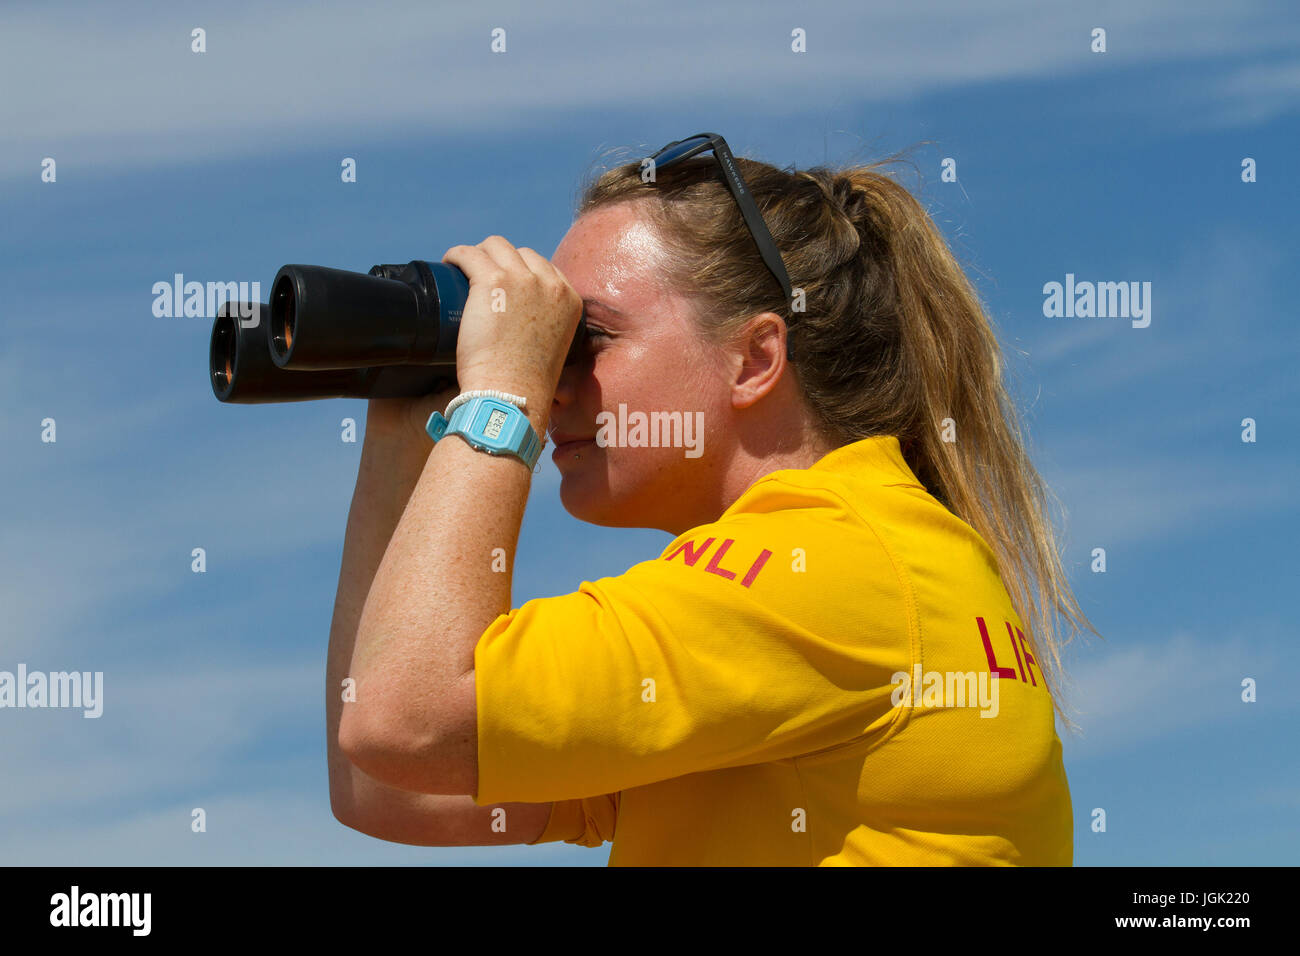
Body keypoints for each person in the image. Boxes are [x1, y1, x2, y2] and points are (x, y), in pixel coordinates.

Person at [326, 135, 1100, 865]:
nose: (552, 387)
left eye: (582, 339)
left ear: (755, 358)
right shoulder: (871, 563)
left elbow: (407, 718)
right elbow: (387, 789)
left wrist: (498, 395)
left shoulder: (830, 564)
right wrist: (402, 416)